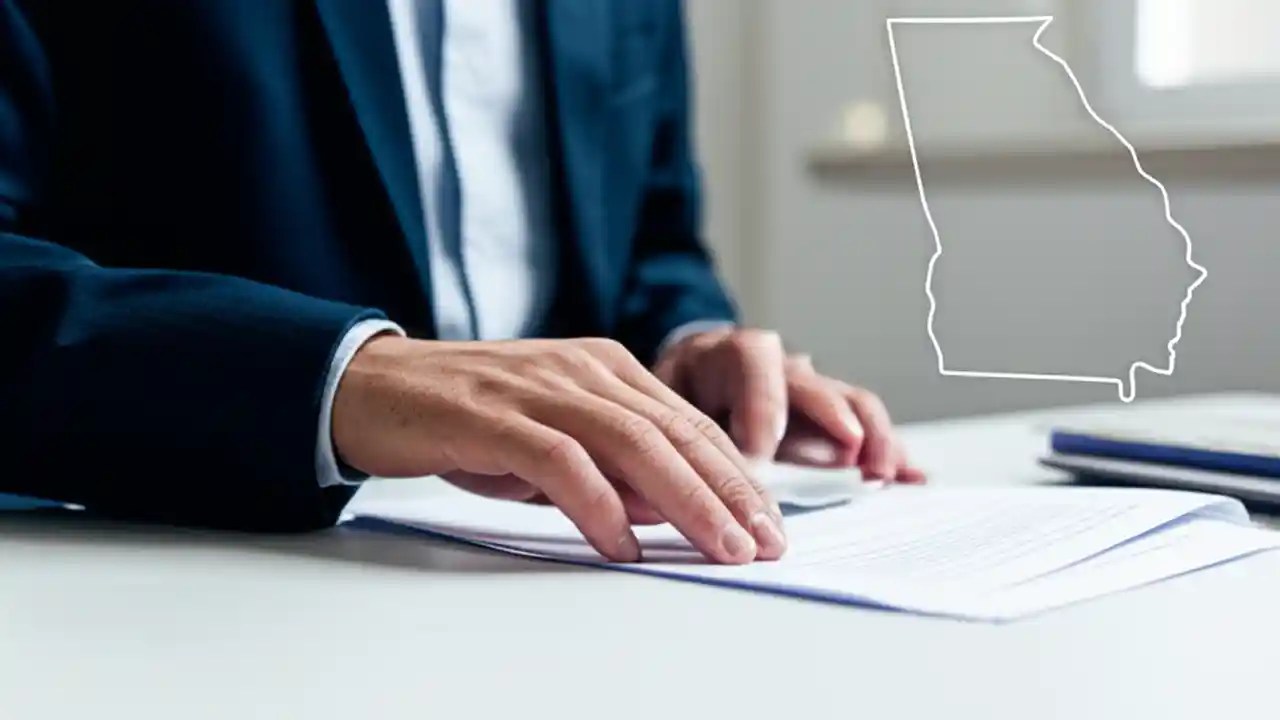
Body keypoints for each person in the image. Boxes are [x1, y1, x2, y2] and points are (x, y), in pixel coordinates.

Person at [0, 0, 923, 564]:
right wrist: (337, 377)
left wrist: (685, 351)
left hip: (567, 576)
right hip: (181, 576)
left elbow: (652, 237)